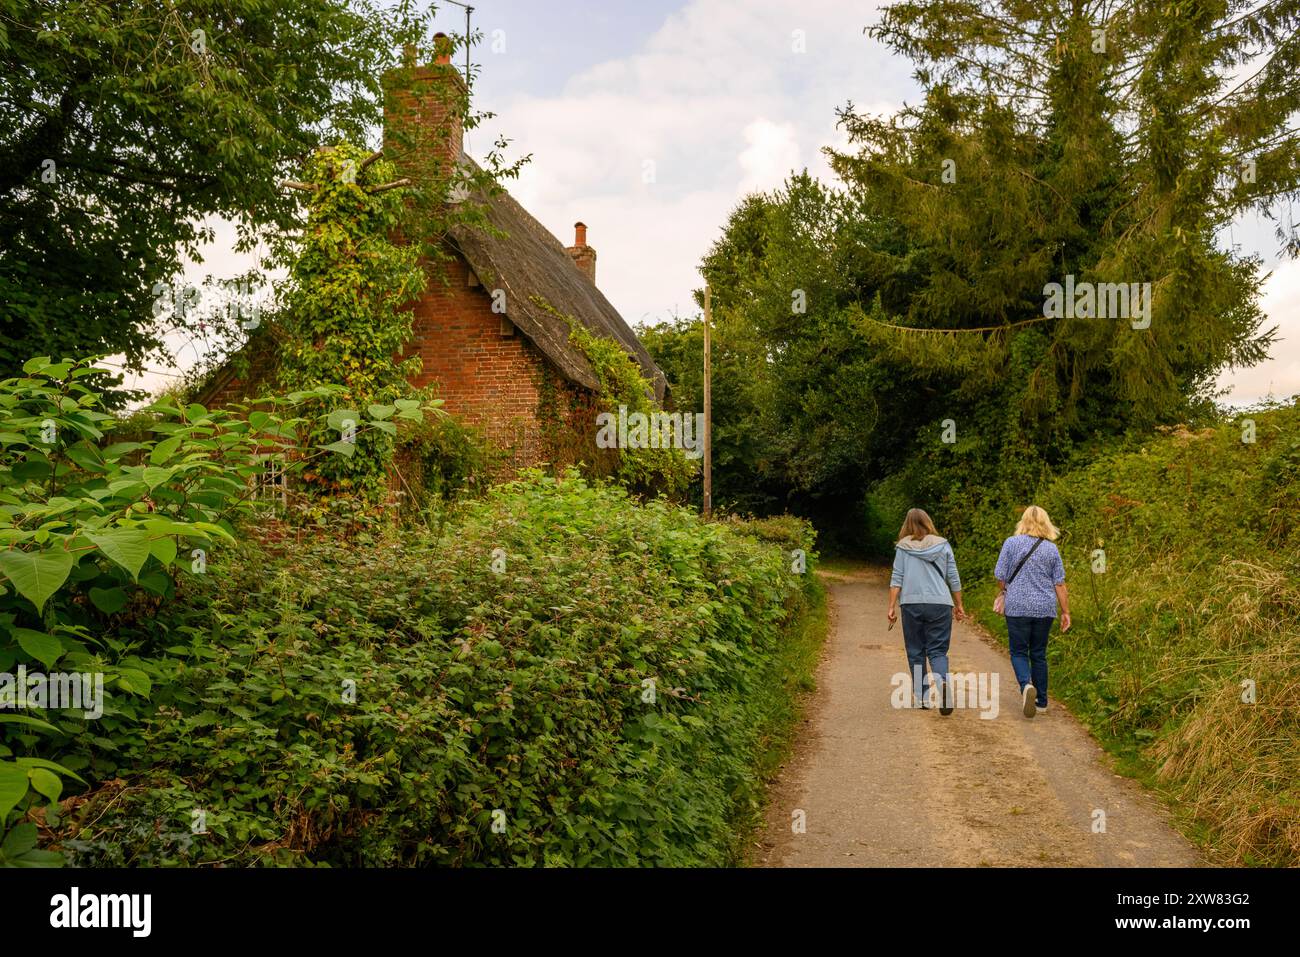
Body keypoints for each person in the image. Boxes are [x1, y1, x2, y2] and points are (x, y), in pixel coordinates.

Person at [994, 505, 1072, 719]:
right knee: (1038, 653)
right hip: (1044, 608)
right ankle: (1042, 702)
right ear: (1046, 523)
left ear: (1023, 521)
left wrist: (1005, 591)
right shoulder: (1051, 549)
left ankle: (1026, 685)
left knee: (1019, 651)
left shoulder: (1011, 543)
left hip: (1017, 606)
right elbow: (1060, 584)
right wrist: (1066, 612)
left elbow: (1000, 575)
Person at [886, 508, 965, 715]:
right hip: (940, 603)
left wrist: (891, 606)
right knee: (937, 650)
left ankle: (922, 697)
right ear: (928, 522)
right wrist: (959, 604)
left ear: (907, 524)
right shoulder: (943, 545)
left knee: (915, 650)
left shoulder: (902, 548)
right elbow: (953, 577)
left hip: (911, 604)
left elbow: (897, 578)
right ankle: (942, 683)